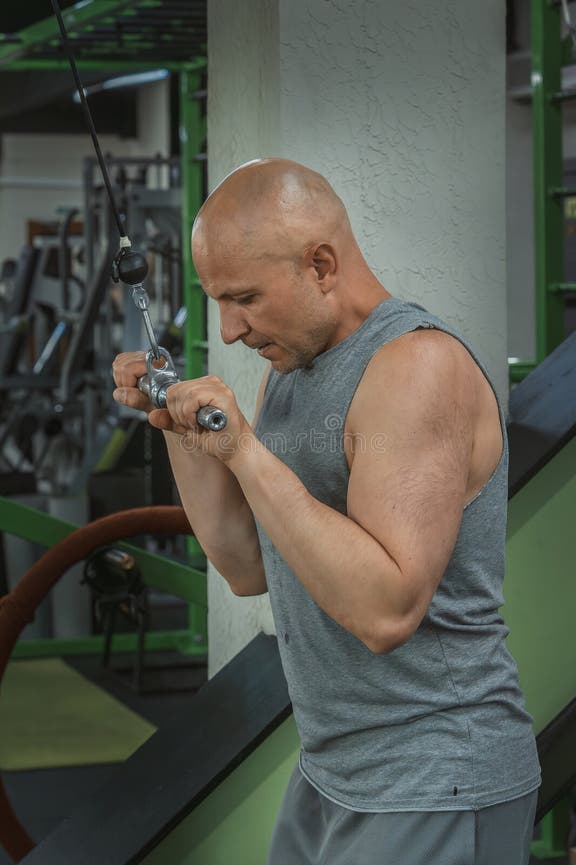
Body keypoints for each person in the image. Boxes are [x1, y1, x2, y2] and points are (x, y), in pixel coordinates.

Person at [112, 158, 541, 865]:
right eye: (217, 299)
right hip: (332, 771)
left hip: (435, 774)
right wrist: (183, 432)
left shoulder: (414, 367)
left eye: (243, 297)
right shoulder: (294, 367)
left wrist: (247, 453)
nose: (228, 329)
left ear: (320, 264)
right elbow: (249, 565)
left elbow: (386, 611)